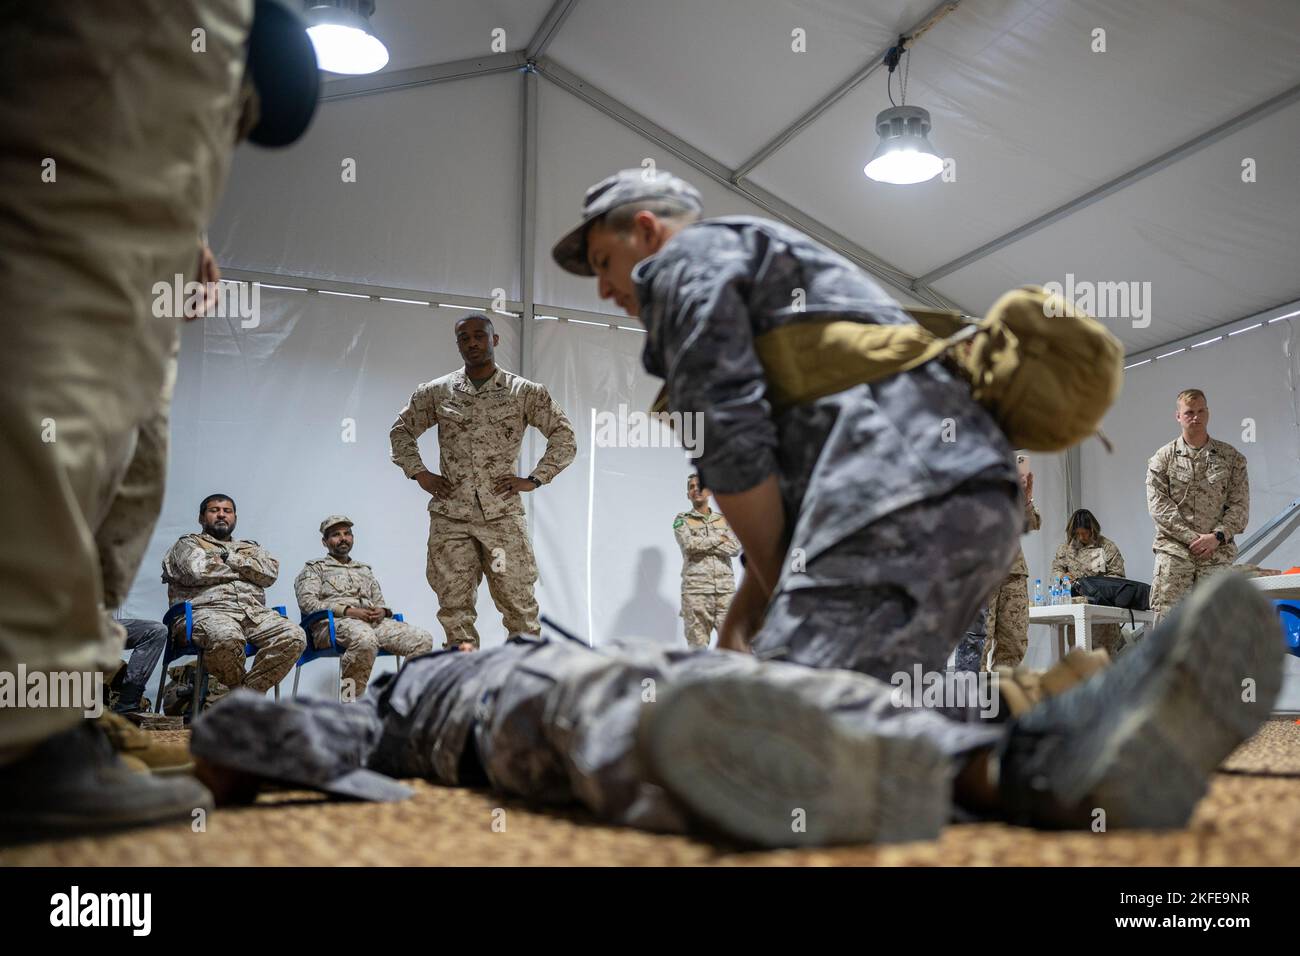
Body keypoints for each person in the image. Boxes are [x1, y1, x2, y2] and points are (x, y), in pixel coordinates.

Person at [194, 572, 1285, 848]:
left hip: (569, 683)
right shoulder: (409, 687)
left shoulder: (465, 660)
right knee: (625, 701)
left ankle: (1023, 760)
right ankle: (1000, 760)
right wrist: (229, 751)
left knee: (800, 690)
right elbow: (244, 731)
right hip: (494, 715)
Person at [550, 168, 1021, 682]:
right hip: (962, 497)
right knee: (875, 706)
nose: (602, 289)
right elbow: (783, 480)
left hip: (899, 506)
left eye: (603, 263)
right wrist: (745, 617)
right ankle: (1021, 732)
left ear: (646, 231)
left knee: (800, 719)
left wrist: (781, 594)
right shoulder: (756, 259)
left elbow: (727, 434)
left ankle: (1058, 738)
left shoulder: (684, 266)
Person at [0, 0, 264, 841]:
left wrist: (185, 231)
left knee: (127, 459)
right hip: (80, 144)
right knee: (51, 413)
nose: (222, 516)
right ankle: (18, 739)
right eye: (218, 511)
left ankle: (62, 708)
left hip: (153, 212)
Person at [389, 315, 576, 650]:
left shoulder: (524, 393)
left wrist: (534, 479)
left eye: (479, 336)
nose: (472, 343)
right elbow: (401, 431)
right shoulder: (437, 392)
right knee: (454, 610)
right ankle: (465, 686)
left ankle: (524, 688)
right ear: (458, 343)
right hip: (451, 518)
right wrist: (420, 473)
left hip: (501, 516)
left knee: (519, 608)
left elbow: (564, 437)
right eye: (464, 338)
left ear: (495, 340)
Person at [161, 494, 305, 696]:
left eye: (227, 511)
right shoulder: (187, 544)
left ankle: (243, 697)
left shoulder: (250, 547)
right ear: (202, 518)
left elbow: (270, 573)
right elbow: (195, 570)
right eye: (214, 510)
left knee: (295, 636)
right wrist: (249, 570)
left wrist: (228, 558)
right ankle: (242, 699)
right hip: (206, 612)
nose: (221, 515)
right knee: (226, 637)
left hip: (253, 614)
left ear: (234, 517)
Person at [295, 516, 434, 697]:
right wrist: (348, 611)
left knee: (422, 640)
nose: (343, 538)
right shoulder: (315, 569)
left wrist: (382, 611)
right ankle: (351, 701)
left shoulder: (364, 570)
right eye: (336, 535)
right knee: (365, 640)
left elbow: (380, 601)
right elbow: (307, 603)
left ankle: (399, 698)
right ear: (325, 542)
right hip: (333, 625)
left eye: (347, 534)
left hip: (372, 624)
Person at [1146, 388, 1249, 621]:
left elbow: (1240, 507)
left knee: (1219, 629)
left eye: (1201, 411)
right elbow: (1159, 508)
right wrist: (1193, 539)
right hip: (1174, 554)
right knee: (1169, 629)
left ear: (1208, 413)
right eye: (1189, 412)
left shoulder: (1231, 458)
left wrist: (1216, 537)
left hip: (1217, 554)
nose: (1196, 416)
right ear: (1178, 416)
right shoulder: (1162, 458)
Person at [979, 456, 1041, 671]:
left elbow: (1032, 523)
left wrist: (1025, 500)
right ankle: (972, 702)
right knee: (978, 642)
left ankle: (1004, 699)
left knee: (1014, 643)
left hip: (1013, 572)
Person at [674, 475, 740, 648]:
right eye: (691, 487)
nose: (696, 489)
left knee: (734, 648)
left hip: (725, 592)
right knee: (697, 650)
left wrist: (704, 543)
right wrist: (720, 538)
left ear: (709, 491)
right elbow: (689, 545)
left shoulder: (724, 519)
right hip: (696, 593)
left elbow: (735, 548)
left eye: (700, 486)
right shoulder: (682, 520)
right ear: (688, 494)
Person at [1051, 509, 1127, 655]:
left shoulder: (1106, 547)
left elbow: (1118, 577)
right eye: (1077, 533)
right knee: (1079, 664)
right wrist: (1063, 576)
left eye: (1084, 533)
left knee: (1105, 664)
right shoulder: (1066, 549)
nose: (1081, 537)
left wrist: (1097, 584)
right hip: (1077, 618)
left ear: (1093, 530)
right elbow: (1056, 571)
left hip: (1103, 618)